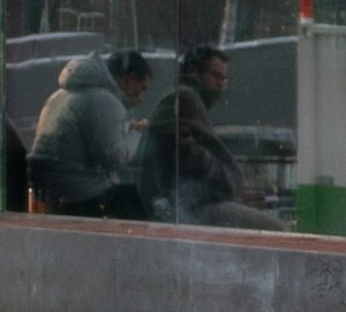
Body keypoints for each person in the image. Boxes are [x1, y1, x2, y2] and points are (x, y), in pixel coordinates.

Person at [140, 42, 277, 228]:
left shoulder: (186, 98)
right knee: (275, 229)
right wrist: (221, 176)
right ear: (194, 72)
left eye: (223, 79)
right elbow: (179, 151)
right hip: (184, 208)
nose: (219, 84)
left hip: (185, 204)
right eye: (215, 76)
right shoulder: (184, 97)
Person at [29, 48, 146, 217]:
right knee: (141, 197)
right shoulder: (106, 101)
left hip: (51, 190)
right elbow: (113, 158)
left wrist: (126, 128)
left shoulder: (63, 94)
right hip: (77, 194)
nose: (141, 97)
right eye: (142, 88)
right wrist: (135, 137)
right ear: (131, 78)